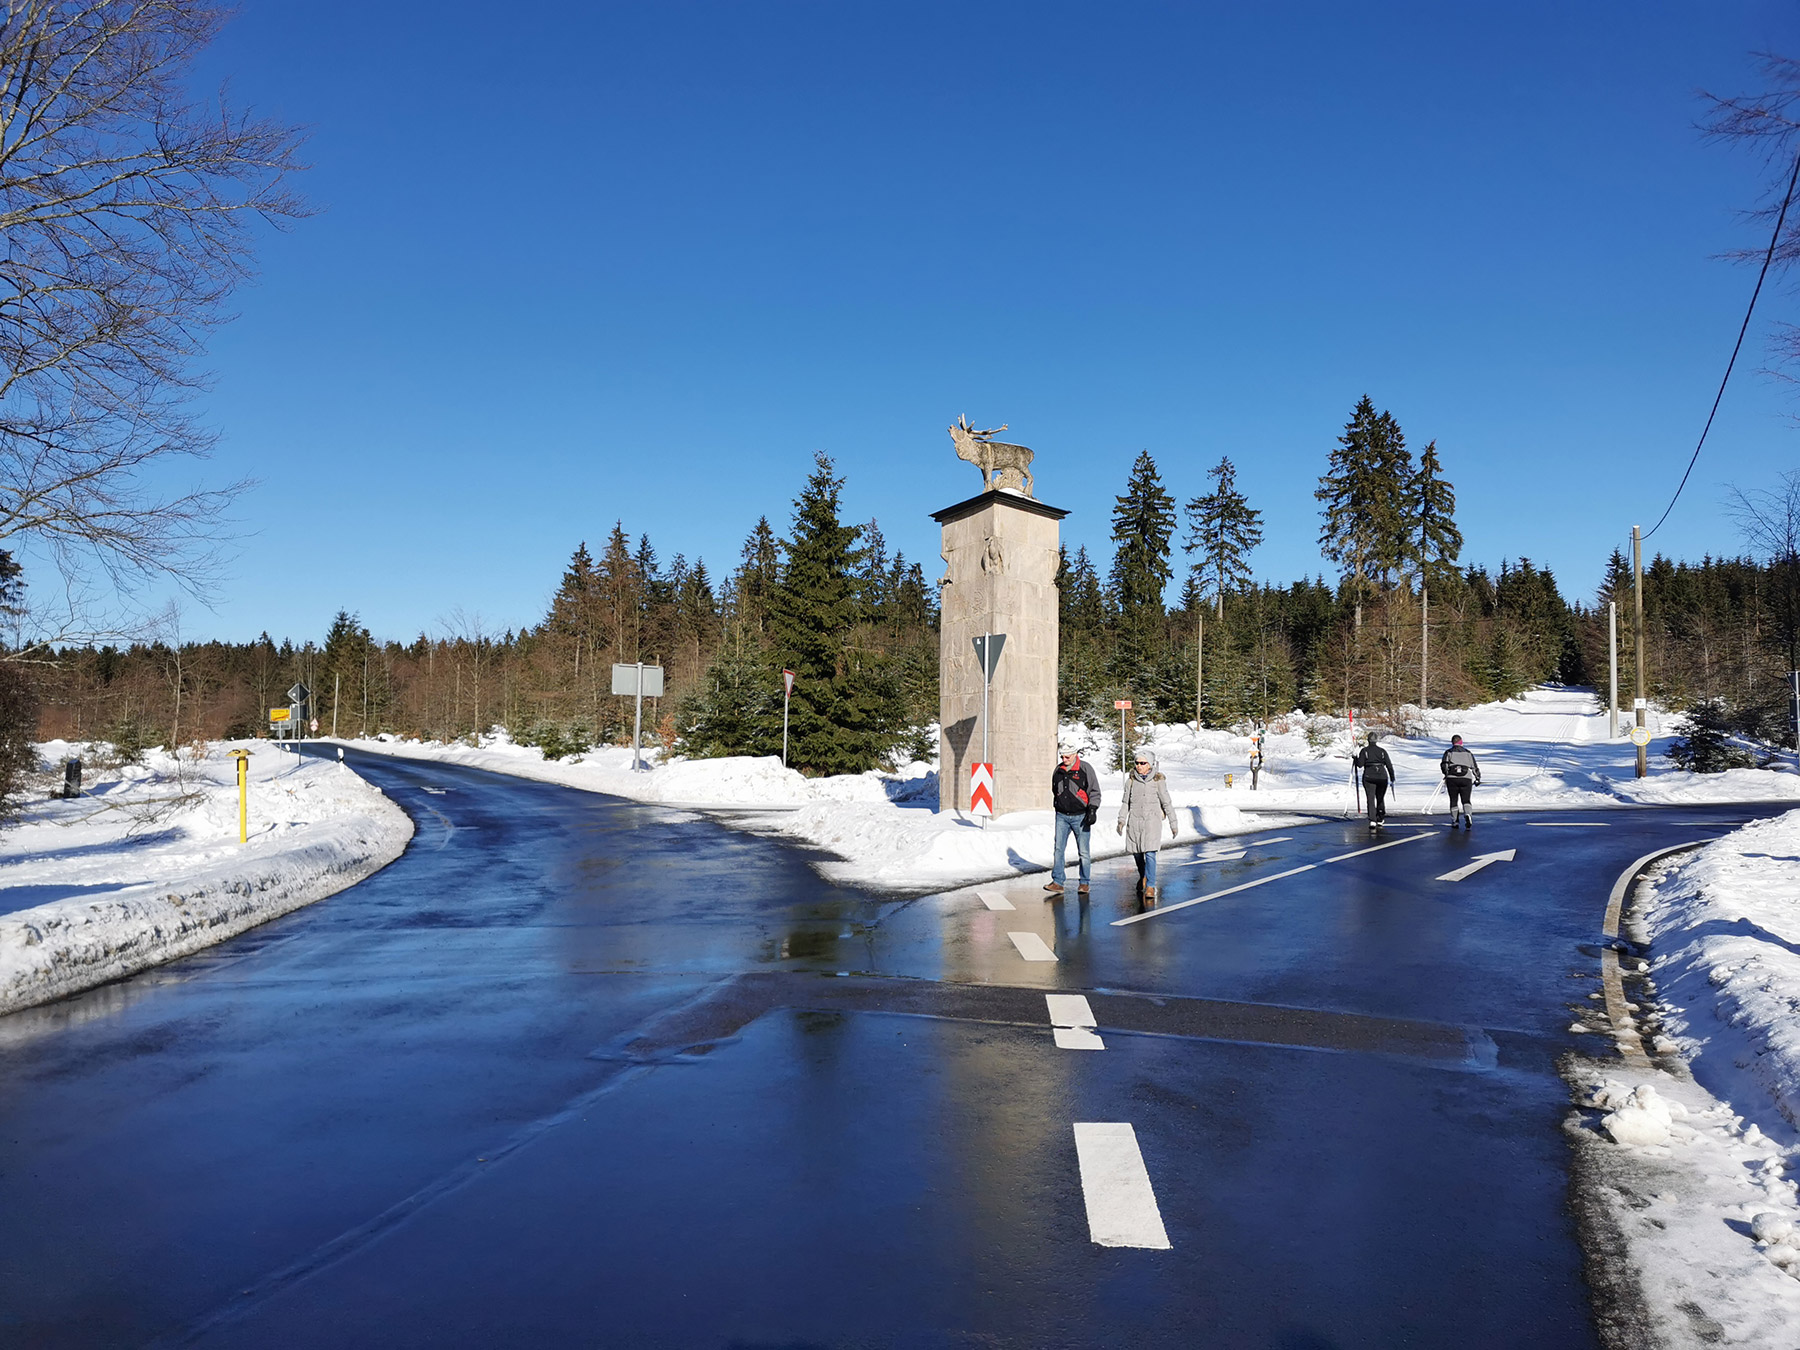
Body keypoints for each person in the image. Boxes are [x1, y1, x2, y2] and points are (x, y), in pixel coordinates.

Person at [1117, 750, 1176, 901]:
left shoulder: (1158, 781)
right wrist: (1121, 820)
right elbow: (1125, 803)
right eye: (1137, 763)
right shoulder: (1130, 781)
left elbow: (1166, 802)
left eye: (1143, 763)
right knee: (1137, 852)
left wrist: (1173, 822)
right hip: (1135, 821)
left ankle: (1150, 885)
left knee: (1150, 853)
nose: (1139, 766)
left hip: (1152, 822)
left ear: (1150, 764)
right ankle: (1143, 875)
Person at [1047, 742, 1100, 895]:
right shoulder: (1058, 770)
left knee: (1083, 852)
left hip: (1081, 816)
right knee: (1058, 849)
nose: (1064, 759)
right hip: (1062, 816)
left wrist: (1092, 809)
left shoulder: (1085, 769)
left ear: (1075, 754)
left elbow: (1095, 791)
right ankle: (1057, 882)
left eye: (1067, 756)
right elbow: (1054, 788)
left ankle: (1084, 882)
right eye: (1062, 756)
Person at [1354, 731, 1395, 831]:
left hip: (1369, 777)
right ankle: (1380, 818)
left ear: (1368, 740)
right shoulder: (1382, 751)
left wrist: (1355, 758)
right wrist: (1392, 777)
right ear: (1376, 740)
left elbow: (1360, 765)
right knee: (1380, 798)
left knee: (1370, 798)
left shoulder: (1365, 751)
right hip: (1382, 776)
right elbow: (1389, 765)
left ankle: (1372, 819)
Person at [1440, 734, 1481, 829]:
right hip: (1466, 778)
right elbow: (1474, 766)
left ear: (1452, 742)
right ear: (1461, 742)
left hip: (1452, 779)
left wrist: (1446, 774)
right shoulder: (1468, 753)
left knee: (1453, 800)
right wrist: (1478, 778)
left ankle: (1455, 821)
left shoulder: (1448, 752)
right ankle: (1468, 814)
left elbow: (1444, 765)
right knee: (1466, 799)